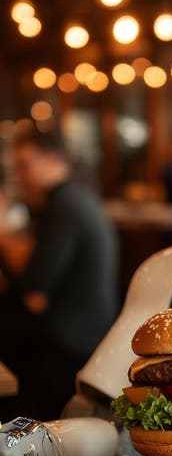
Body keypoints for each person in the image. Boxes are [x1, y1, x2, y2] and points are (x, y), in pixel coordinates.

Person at [0, 126, 120, 421]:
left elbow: (34, 287)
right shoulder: (71, 198)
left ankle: (17, 445)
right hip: (80, 331)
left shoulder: (65, 207)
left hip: (71, 342)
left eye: (25, 165)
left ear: (53, 159)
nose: (20, 174)